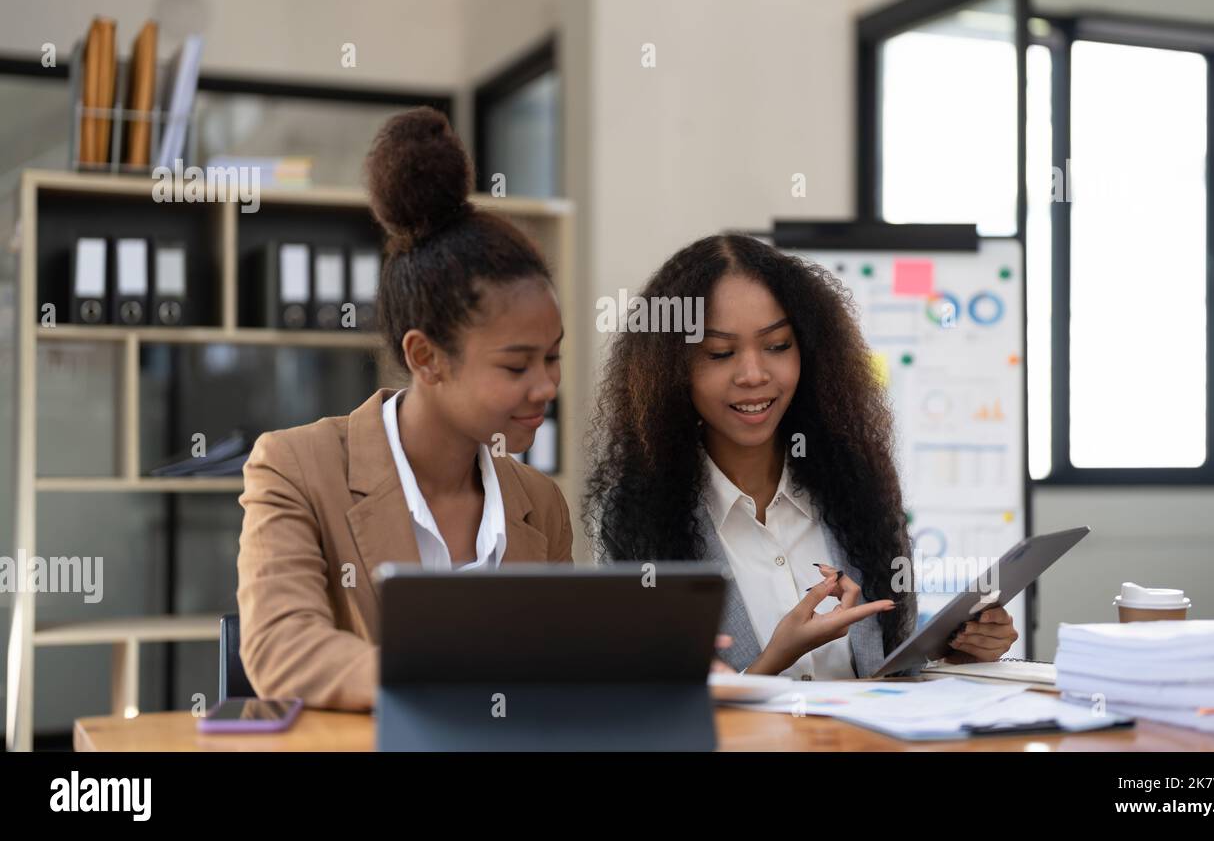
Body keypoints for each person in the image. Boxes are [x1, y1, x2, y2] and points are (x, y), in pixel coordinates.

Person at [236, 108, 571, 710]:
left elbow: (556, 668)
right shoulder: (297, 467)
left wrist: (636, 662)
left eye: (553, 357)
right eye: (517, 365)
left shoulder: (540, 504)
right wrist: (454, 679)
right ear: (427, 358)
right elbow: (282, 649)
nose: (546, 386)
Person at [585, 234, 1017, 679]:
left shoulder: (858, 490)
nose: (754, 375)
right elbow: (661, 713)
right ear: (672, 368)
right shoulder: (637, 517)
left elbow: (890, 676)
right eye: (720, 353)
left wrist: (960, 657)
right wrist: (775, 659)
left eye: (777, 346)